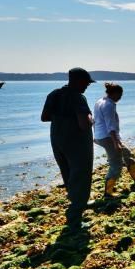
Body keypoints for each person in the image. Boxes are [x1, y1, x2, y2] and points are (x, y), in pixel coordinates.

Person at [41, 67, 95, 229]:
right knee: (81, 174)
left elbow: (44, 117)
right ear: (77, 81)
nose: (87, 86)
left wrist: (62, 117)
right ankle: (75, 217)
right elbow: (83, 124)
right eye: (86, 83)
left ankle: (75, 200)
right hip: (77, 141)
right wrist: (91, 118)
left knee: (67, 172)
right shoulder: (78, 98)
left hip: (57, 139)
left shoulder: (54, 94)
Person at [93, 82, 135, 197]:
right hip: (108, 137)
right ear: (115, 93)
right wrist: (116, 143)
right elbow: (110, 126)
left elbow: (96, 120)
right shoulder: (109, 105)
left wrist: (95, 135)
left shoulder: (100, 101)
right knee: (116, 164)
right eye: (120, 95)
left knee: (127, 153)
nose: (120, 97)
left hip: (101, 136)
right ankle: (108, 192)